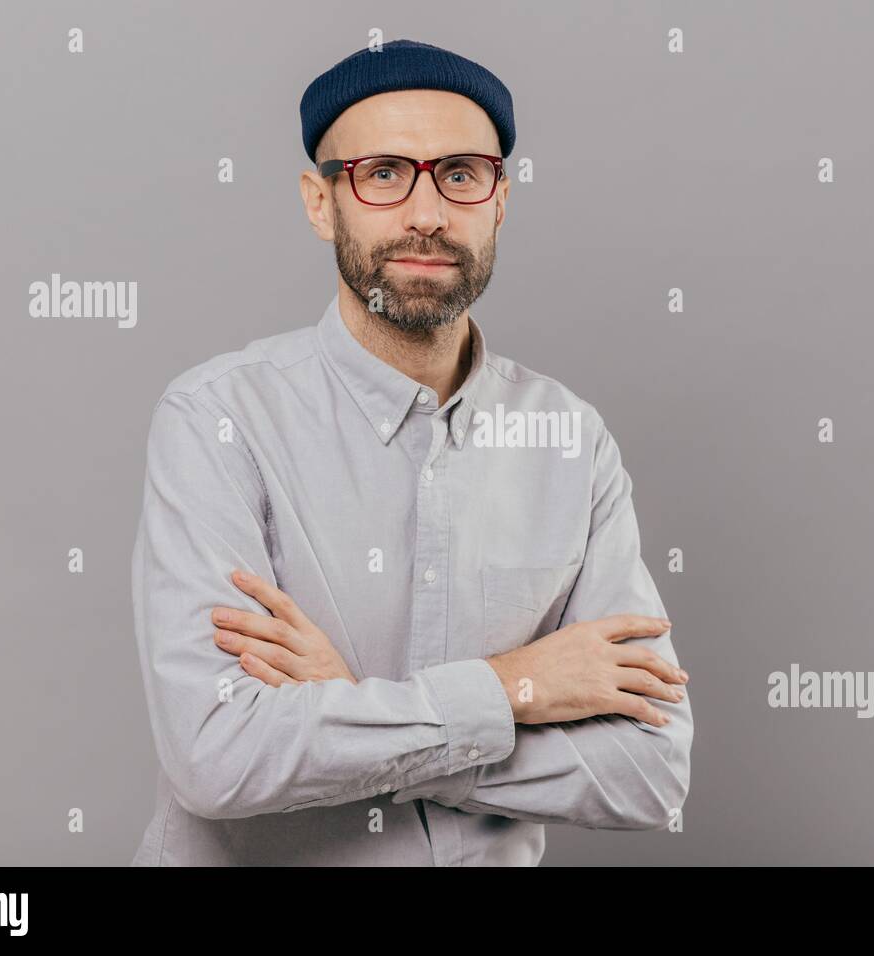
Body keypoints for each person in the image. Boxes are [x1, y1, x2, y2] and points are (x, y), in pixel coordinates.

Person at [129, 38, 692, 866]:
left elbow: (650, 770)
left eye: (460, 174)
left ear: (500, 200)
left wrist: (352, 710)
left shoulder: (571, 439)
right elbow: (216, 756)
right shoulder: (218, 419)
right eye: (384, 173)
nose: (426, 212)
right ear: (321, 203)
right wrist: (517, 688)